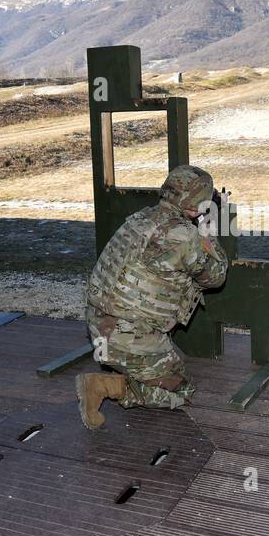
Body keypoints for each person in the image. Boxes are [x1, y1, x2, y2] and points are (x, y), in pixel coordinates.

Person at [76, 165, 228, 428]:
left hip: (98, 326)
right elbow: (216, 276)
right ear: (196, 204)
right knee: (180, 392)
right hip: (129, 337)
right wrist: (207, 229)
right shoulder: (184, 236)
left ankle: (130, 368)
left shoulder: (139, 219)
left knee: (146, 357)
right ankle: (106, 387)